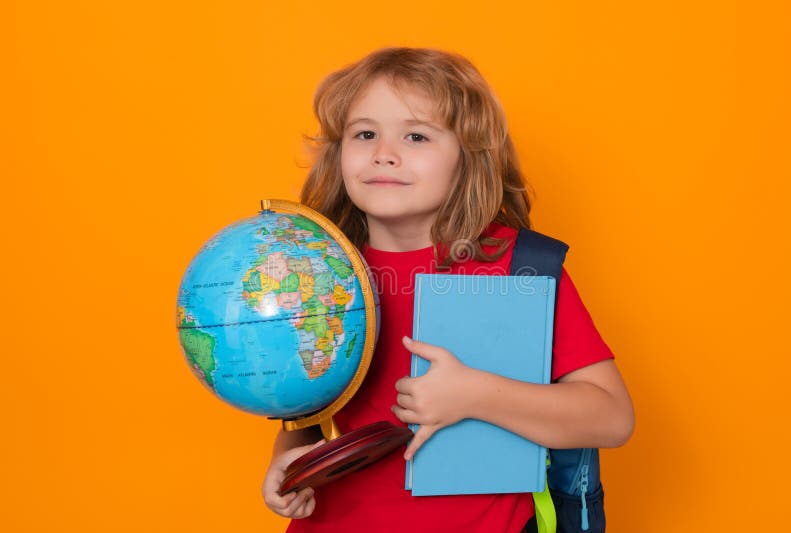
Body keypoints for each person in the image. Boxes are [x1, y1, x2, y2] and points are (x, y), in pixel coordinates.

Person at [262, 47, 634, 533]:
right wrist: (289, 466)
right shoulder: (320, 270)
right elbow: (305, 405)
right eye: (365, 134)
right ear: (339, 153)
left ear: (467, 157)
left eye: (415, 135)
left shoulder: (519, 269)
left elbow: (611, 417)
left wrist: (474, 395)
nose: (384, 152)